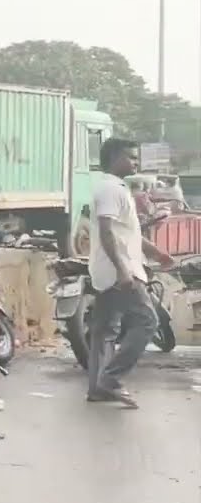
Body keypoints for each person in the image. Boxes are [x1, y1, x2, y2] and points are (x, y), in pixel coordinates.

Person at [86, 137, 174, 408]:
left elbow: (127, 233)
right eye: (130, 157)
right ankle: (111, 380)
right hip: (120, 271)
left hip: (111, 269)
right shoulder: (111, 190)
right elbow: (107, 232)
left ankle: (98, 387)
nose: (135, 162)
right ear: (113, 158)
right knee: (147, 321)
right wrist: (124, 270)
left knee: (104, 330)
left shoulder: (116, 189)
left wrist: (156, 253)